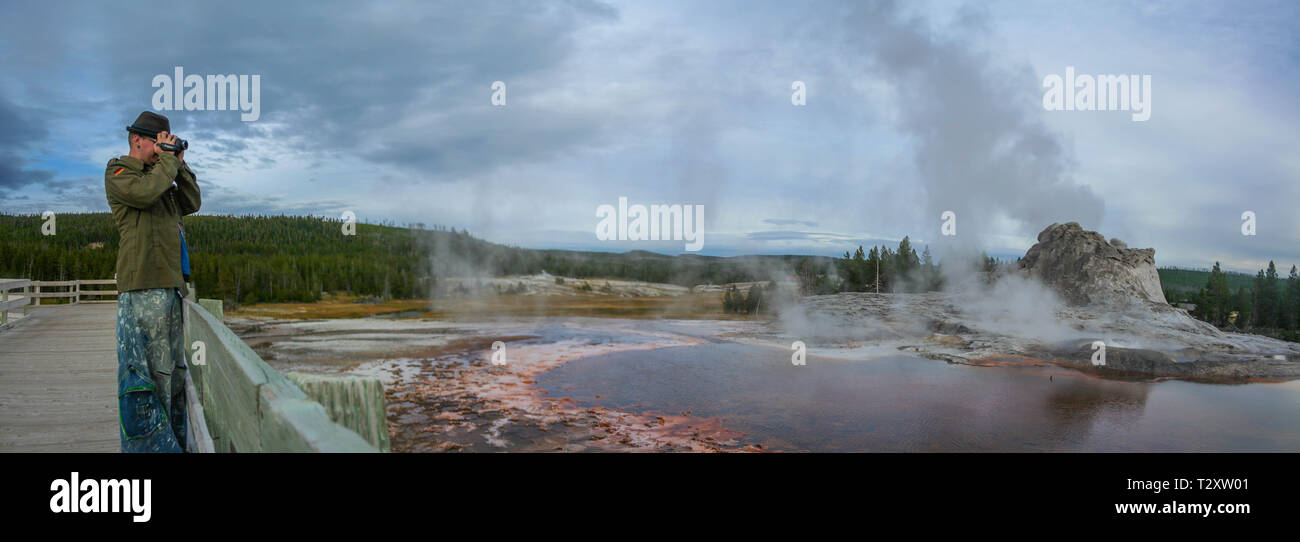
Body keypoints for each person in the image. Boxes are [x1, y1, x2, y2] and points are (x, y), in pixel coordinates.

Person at [105, 111, 200, 453]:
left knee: (172, 378)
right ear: (137, 140)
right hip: (142, 286)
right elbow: (144, 194)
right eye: (157, 143)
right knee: (144, 380)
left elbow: (192, 203)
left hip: (169, 287)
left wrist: (180, 164)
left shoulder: (163, 174)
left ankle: (175, 444)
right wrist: (168, 163)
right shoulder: (120, 172)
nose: (161, 150)